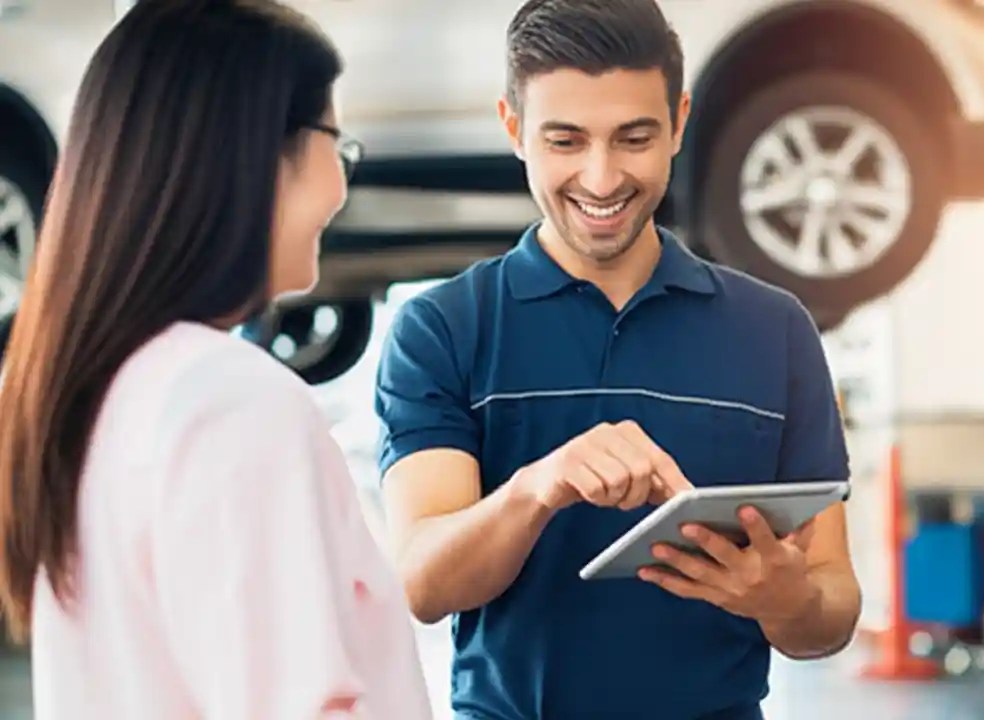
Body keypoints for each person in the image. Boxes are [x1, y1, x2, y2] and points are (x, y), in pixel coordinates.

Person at [375, 0, 862, 718]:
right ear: (513, 128)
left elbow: (833, 604)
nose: (601, 179)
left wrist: (787, 602)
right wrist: (537, 489)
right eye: (565, 141)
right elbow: (423, 584)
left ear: (679, 122)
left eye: (634, 138)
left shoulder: (776, 330)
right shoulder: (444, 328)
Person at [0, 1, 433, 717]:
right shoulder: (234, 401)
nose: (341, 183)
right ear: (256, 152)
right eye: (337, 143)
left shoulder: (99, 395)